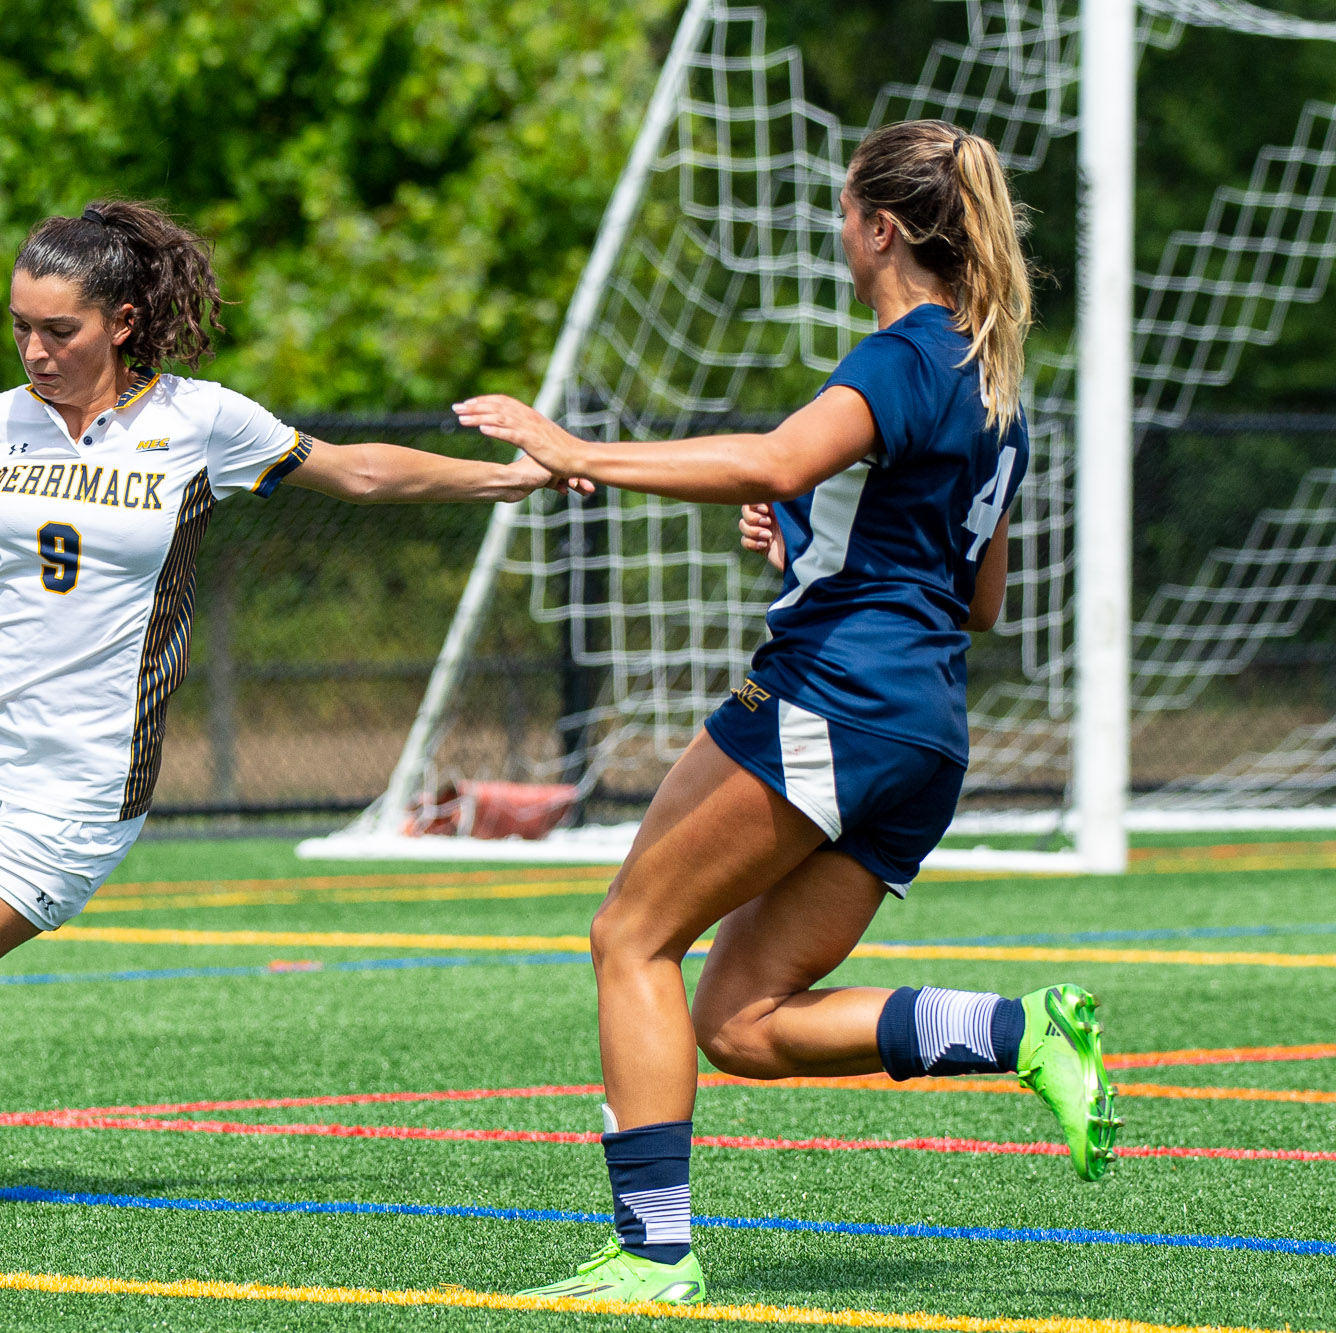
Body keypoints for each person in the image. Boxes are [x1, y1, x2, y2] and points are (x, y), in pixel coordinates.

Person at [0, 199, 575, 1152]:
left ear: (122, 323)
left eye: (61, 329)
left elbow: (360, 474)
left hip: (76, 784)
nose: (36, 351)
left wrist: (512, 477)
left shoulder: (199, 422)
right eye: (20, 328)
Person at [453, 120, 1117, 1306]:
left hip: (831, 700)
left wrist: (575, 452)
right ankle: (1019, 1031)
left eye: (842, 208)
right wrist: (810, 541)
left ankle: (652, 1255)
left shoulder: (906, 354)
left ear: (877, 226)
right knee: (743, 1021)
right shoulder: (993, 381)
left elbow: (770, 459)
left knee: (630, 937)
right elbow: (977, 597)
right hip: (921, 729)